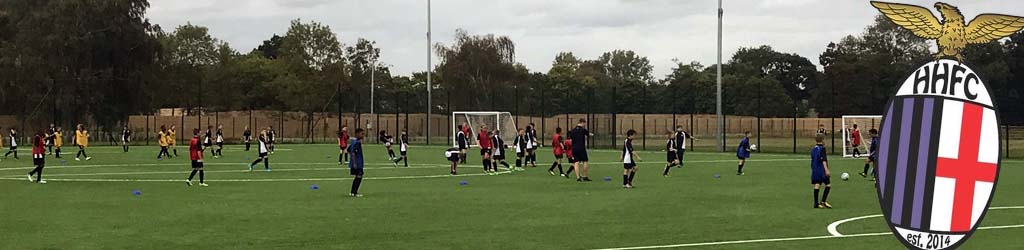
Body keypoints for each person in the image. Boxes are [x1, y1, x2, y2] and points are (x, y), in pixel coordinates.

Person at [811, 133, 832, 209]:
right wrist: (826, 170)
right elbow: (823, 160)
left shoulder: (813, 149)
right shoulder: (822, 149)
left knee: (817, 185)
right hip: (822, 170)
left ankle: (816, 203)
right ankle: (823, 201)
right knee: (828, 185)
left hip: (815, 170)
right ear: (823, 140)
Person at [348, 128, 365, 197]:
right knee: (359, 177)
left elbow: (349, 150)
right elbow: (353, 153)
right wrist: (355, 162)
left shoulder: (354, 142)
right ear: (357, 134)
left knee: (357, 177)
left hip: (356, 162)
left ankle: (352, 192)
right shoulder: (357, 143)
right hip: (358, 163)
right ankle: (354, 193)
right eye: (362, 134)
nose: (363, 135)